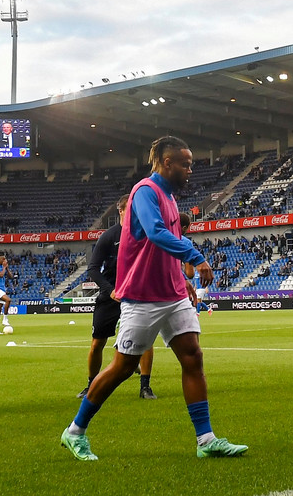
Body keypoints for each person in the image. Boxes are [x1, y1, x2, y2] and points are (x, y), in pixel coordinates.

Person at [60, 136, 246, 461]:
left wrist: (181, 278)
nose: (190, 170)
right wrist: (196, 256)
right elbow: (155, 233)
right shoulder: (146, 191)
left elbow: (166, 245)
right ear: (165, 162)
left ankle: (206, 440)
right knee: (122, 366)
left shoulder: (171, 198)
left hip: (172, 293)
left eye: (191, 164)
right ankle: (74, 432)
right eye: (185, 164)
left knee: (193, 357)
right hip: (143, 296)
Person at [81, 196, 157, 400]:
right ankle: (91, 384)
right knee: (97, 343)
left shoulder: (144, 234)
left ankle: (145, 386)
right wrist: (111, 289)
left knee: (146, 342)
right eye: (131, 208)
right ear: (121, 210)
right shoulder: (109, 236)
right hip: (111, 297)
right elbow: (93, 269)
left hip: (138, 296)